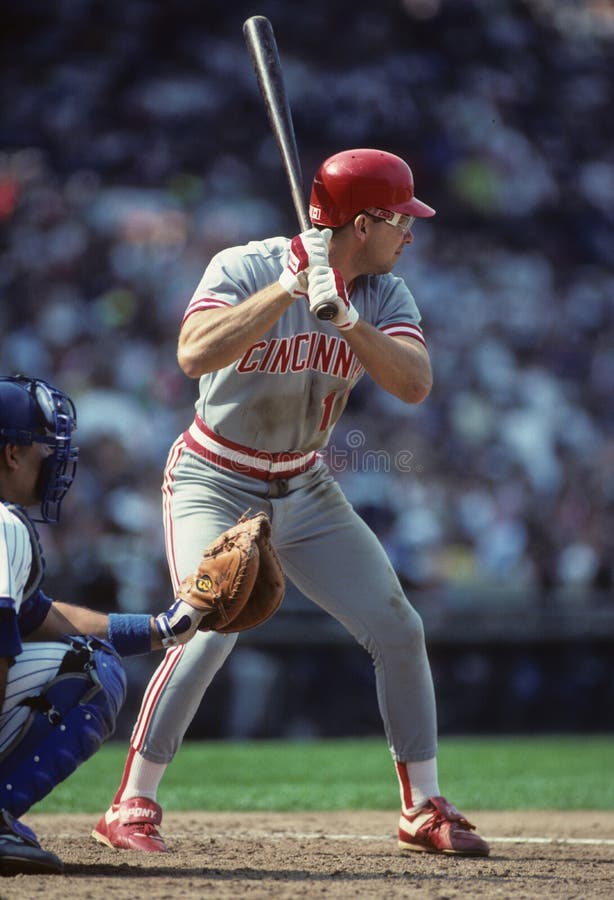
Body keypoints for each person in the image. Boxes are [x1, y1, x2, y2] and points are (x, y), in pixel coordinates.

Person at [92, 148, 490, 857]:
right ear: (363, 222)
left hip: (304, 484)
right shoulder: (245, 265)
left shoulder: (380, 294)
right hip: (214, 475)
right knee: (206, 624)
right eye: (401, 219)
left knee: (398, 625)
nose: (411, 232)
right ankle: (131, 804)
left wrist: (343, 319)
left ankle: (422, 806)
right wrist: (284, 289)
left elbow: (414, 383)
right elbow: (192, 352)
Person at [0, 374, 208, 875]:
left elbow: (42, 616)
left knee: (75, 648)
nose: (54, 459)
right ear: (11, 453)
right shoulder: (4, 525)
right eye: (44, 447)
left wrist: (161, 628)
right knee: (91, 669)